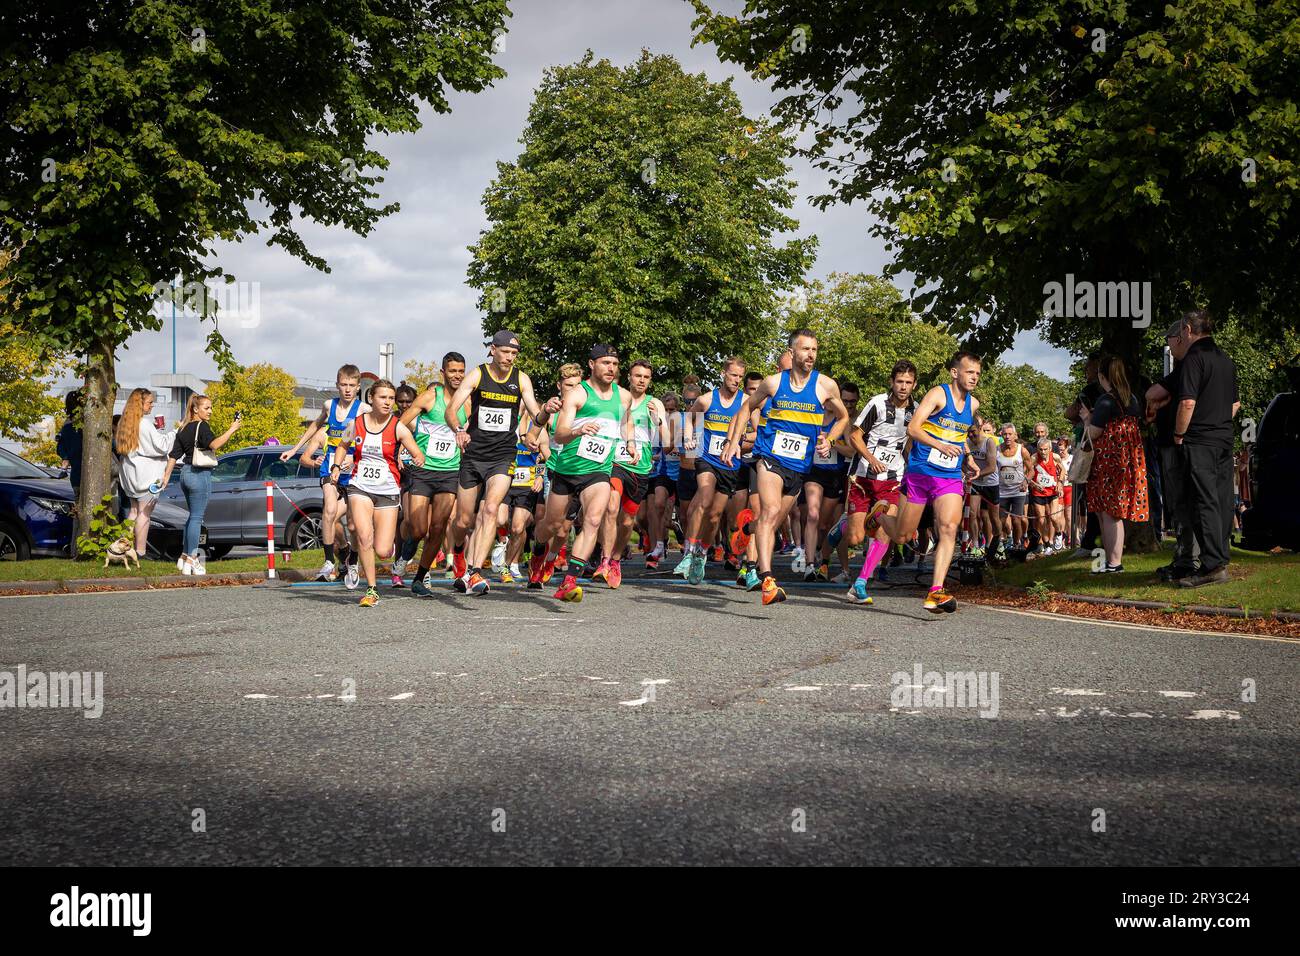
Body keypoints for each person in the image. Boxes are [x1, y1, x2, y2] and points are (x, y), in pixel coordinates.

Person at [722, 330, 850, 606]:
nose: (811, 354)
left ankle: (748, 530)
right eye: (805, 349)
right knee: (769, 512)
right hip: (770, 457)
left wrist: (829, 439)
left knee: (773, 520)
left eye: (814, 349)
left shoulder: (826, 386)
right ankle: (767, 580)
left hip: (799, 466)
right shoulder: (773, 383)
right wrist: (734, 442)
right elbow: (745, 408)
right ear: (792, 353)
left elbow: (843, 417)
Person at [445, 330, 559, 596]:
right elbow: (451, 409)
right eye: (506, 352)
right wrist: (459, 429)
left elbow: (535, 414)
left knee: (491, 511)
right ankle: (460, 552)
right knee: (463, 520)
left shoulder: (521, 379)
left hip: (503, 455)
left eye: (514, 353)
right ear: (493, 350)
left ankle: (474, 573)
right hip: (473, 455)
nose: (510, 357)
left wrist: (546, 410)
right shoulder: (477, 374)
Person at [872, 351, 984, 613]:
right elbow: (913, 428)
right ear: (955, 373)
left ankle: (935, 591)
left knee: (949, 527)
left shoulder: (973, 404)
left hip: (949, 476)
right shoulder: (937, 394)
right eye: (970, 372)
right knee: (902, 535)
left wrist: (968, 457)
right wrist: (939, 445)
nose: (974, 377)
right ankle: (879, 515)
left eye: (977, 374)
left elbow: (958, 435)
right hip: (921, 472)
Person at [528, 344, 635, 602]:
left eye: (614, 363)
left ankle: (570, 580)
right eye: (605, 362)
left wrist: (630, 442)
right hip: (567, 469)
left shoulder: (623, 397)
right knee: (552, 526)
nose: (610, 368)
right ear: (591, 364)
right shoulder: (578, 394)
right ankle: (538, 554)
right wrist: (578, 430)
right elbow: (560, 434)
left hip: (599, 469)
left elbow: (627, 421)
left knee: (594, 520)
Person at [1145, 310, 1239, 588]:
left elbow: (1187, 403)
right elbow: (1235, 404)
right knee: (1222, 502)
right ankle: (1220, 559)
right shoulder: (1225, 360)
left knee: (1203, 502)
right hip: (1223, 438)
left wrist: (1178, 435)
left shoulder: (1193, 359)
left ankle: (1211, 565)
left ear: (1187, 329)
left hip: (1199, 441)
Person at [328, 380, 425, 607]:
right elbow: (342, 445)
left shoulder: (398, 427)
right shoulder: (357, 424)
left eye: (391, 398)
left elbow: (417, 453)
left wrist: (417, 459)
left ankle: (392, 555)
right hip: (359, 486)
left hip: (388, 491)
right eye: (383, 397)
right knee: (363, 536)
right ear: (371, 398)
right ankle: (371, 589)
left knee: (383, 550)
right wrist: (336, 466)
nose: (388, 402)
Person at [281, 364, 368, 583]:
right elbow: (315, 425)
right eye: (343, 385)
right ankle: (329, 560)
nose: (347, 389)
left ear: (358, 387)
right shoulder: (330, 405)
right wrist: (294, 449)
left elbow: (370, 438)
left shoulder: (363, 410)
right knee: (328, 511)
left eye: (351, 386)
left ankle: (353, 561)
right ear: (337, 385)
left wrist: (355, 458)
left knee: (353, 524)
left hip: (353, 471)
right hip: (330, 467)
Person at [841, 361, 917, 604]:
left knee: (885, 532)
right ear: (891, 382)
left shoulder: (916, 410)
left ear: (914, 384)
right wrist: (871, 458)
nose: (903, 387)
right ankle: (840, 528)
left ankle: (861, 582)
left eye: (908, 382)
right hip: (863, 475)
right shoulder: (877, 404)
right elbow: (854, 434)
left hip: (893, 478)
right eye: (899, 382)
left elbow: (911, 443)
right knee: (855, 538)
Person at [593, 360, 670, 588]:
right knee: (610, 508)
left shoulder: (653, 403)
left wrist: (658, 421)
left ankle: (616, 559)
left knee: (627, 522)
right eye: (638, 376)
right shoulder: (619, 398)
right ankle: (604, 560)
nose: (641, 380)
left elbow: (667, 444)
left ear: (650, 380)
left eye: (646, 377)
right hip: (615, 461)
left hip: (640, 467)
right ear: (629, 376)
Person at [401, 354, 468, 597]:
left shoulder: (467, 403)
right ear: (443, 372)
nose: (457, 375)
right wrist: (410, 449)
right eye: (452, 371)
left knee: (439, 528)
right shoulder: (431, 396)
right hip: (423, 470)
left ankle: (419, 578)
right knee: (418, 529)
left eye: (461, 370)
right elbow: (401, 425)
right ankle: (406, 554)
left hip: (450, 472)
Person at [679, 357, 747, 585]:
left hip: (730, 465)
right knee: (704, 498)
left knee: (716, 515)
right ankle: (689, 551)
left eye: (740, 376)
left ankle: (701, 553)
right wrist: (689, 438)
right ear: (723, 374)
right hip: (706, 459)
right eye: (733, 375)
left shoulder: (746, 402)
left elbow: (758, 430)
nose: (736, 380)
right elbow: (689, 418)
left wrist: (740, 440)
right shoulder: (707, 399)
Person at [159, 394, 242, 575]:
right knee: (197, 517)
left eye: (211, 407)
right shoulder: (201, 426)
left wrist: (166, 477)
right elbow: (214, 444)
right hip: (199, 474)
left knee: (191, 517)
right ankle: (192, 558)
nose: (210, 411)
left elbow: (173, 455)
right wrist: (232, 429)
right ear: (196, 409)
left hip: (185, 474)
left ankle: (184, 557)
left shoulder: (183, 428)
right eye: (207, 408)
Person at [1079, 355, 1148, 573]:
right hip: (1126, 460)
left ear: (1102, 376)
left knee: (1108, 513)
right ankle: (1110, 562)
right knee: (1107, 512)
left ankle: (1114, 563)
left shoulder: (1106, 400)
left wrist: (1086, 420)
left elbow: (1095, 432)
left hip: (1107, 461)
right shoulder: (1132, 399)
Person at [115, 388, 175, 559]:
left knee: (133, 512)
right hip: (146, 475)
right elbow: (161, 446)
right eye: (149, 402)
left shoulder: (125, 423)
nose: (152, 405)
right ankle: (140, 551)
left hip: (130, 474)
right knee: (144, 514)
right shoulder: (144, 424)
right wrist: (174, 432)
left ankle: (124, 548)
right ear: (140, 404)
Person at [644, 391, 681, 570]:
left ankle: (687, 546)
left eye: (671, 410)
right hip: (660, 473)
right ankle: (658, 546)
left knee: (683, 516)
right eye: (665, 410)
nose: (668, 413)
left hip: (680, 474)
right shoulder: (655, 425)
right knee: (656, 507)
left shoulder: (683, 422)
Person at [995, 424, 1033, 552]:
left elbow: (1031, 470)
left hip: (1018, 490)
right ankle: (1004, 540)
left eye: (1010, 434)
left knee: (1016, 520)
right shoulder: (996, 450)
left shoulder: (1022, 450)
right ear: (1001, 435)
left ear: (1015, 436)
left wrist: (1026, 481)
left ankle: (1017, 545)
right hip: (1002, 491)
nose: (1007, 437)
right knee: (1001, 520)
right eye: (1005, 434)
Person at [966, 413, 999, 556]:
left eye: (973, 431)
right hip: (975, 482)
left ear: (979, 428)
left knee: (992, 517)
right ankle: (976, 544)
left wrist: (977, 473)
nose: (971, 435)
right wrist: (966, 473)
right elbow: (962, 463)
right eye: (968, 432)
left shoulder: (989, 442)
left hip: (991, 482)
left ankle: (998, 542)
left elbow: (992, 467)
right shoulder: (967, 442)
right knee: (973, 513)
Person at [1028, 438, 1062, 554]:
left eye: (1045, 449)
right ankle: (1047, 544)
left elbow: (1062, 470)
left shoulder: (1055, 457)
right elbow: (1025, 474)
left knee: (1053, 517)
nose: (1043, 452)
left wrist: (1060, 483)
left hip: (1053, 492)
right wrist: (1034, 484)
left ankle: (1058, 533)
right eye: (1040, 450)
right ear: (1037, 449)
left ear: (1050, 449)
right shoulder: (1033, 458)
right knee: (1041, 520)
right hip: (1038, 492)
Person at [56, 390, 83, 494]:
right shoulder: (87, 425)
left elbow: (59, 449)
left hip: (75, 476)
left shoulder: (66, 425)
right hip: (89, 476)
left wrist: (66, 458)